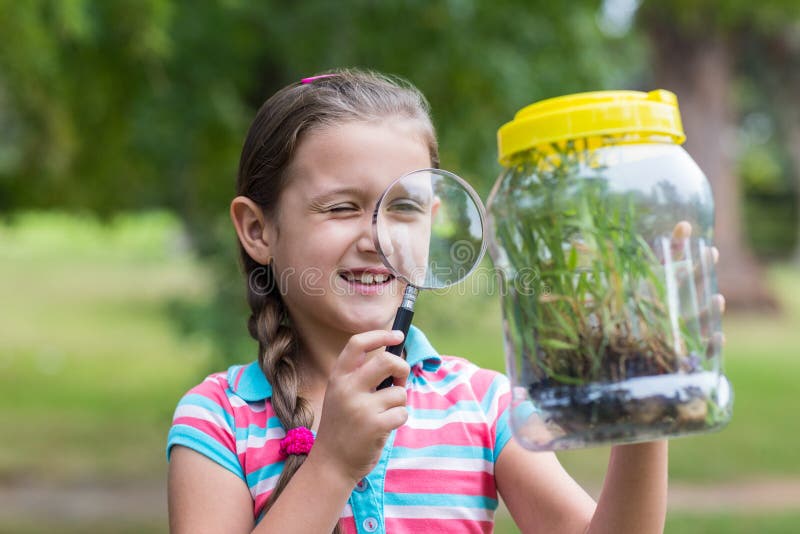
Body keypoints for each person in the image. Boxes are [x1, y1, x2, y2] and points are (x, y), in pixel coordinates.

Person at [167, 69, 681, 533]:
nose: (377, 238)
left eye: (404, 208)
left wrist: (643, 400)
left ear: (433, 220)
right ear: (258, 229)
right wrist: (333, 465)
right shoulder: (218, 421)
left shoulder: (481, 405)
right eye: (342, 207)